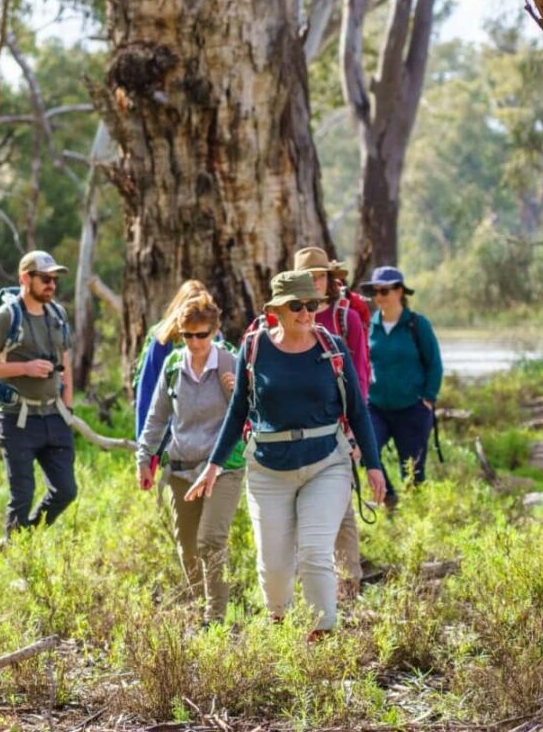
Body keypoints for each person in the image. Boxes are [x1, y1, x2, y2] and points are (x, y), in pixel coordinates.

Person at [187, 270, 386, 639]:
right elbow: (238, 412)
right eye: (297, 305)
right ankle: (280, 628)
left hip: (327, 463)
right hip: (267, 470)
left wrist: (373, 465)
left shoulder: (332, 348)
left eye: (312, 304)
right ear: (276, 309)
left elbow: (357, 410)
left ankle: (322, 635)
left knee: (314, 553)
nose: (307, 312)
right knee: (275, 566)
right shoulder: (255, 347)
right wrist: (213, 465)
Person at [134, 293, 241, 626]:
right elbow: (156, 417)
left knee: (211, 541)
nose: (195, 342)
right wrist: (144, 458)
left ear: (214, 331)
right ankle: (202, 604)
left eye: (202, 334)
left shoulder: (228, 363)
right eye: (188, 335)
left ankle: (215, 619)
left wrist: (239, 390)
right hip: (181, 468)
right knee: (189, 548)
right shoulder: (173, 367)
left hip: (222, 468)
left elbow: (252, 413)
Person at [0, 250, 77, 537]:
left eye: (54, 279)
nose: (51, 284)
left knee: (66, 490)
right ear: (25, 278)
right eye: (45, 278)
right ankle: (15, 557)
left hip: (55, 416)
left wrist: (68, 407)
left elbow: (66, 363)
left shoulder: (58, 314)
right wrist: (24, 368)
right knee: (22, 496)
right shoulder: (7, 316)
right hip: (18, 419)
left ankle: (27, 540)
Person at [294, 247, 372, 601]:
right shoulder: (284, 320)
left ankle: (348, 583)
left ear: (330, 279)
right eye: (308, 277)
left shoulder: (345, 319)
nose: (316, 283)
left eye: (321, 276)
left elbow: (362, 378)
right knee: (295, 509)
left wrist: (355, 431)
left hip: (339, 429)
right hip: (293, 432)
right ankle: (302, 585)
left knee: (340, 509)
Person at [361, 265, 443, 508]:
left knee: (413, 470)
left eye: (384, 291)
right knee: (367, 451)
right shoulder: (369, 326)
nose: (379, 298)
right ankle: (389, 499)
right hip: (376, 408)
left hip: (412, 410)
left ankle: (417, 517)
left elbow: (434, 364)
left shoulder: (417, 325)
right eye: (375, 292)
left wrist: (427, 399)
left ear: (400, 292)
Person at [132, 279, 211, 442]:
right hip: (171, 430)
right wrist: (145, 442)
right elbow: (147, 390)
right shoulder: (164, 339)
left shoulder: (213, 336)